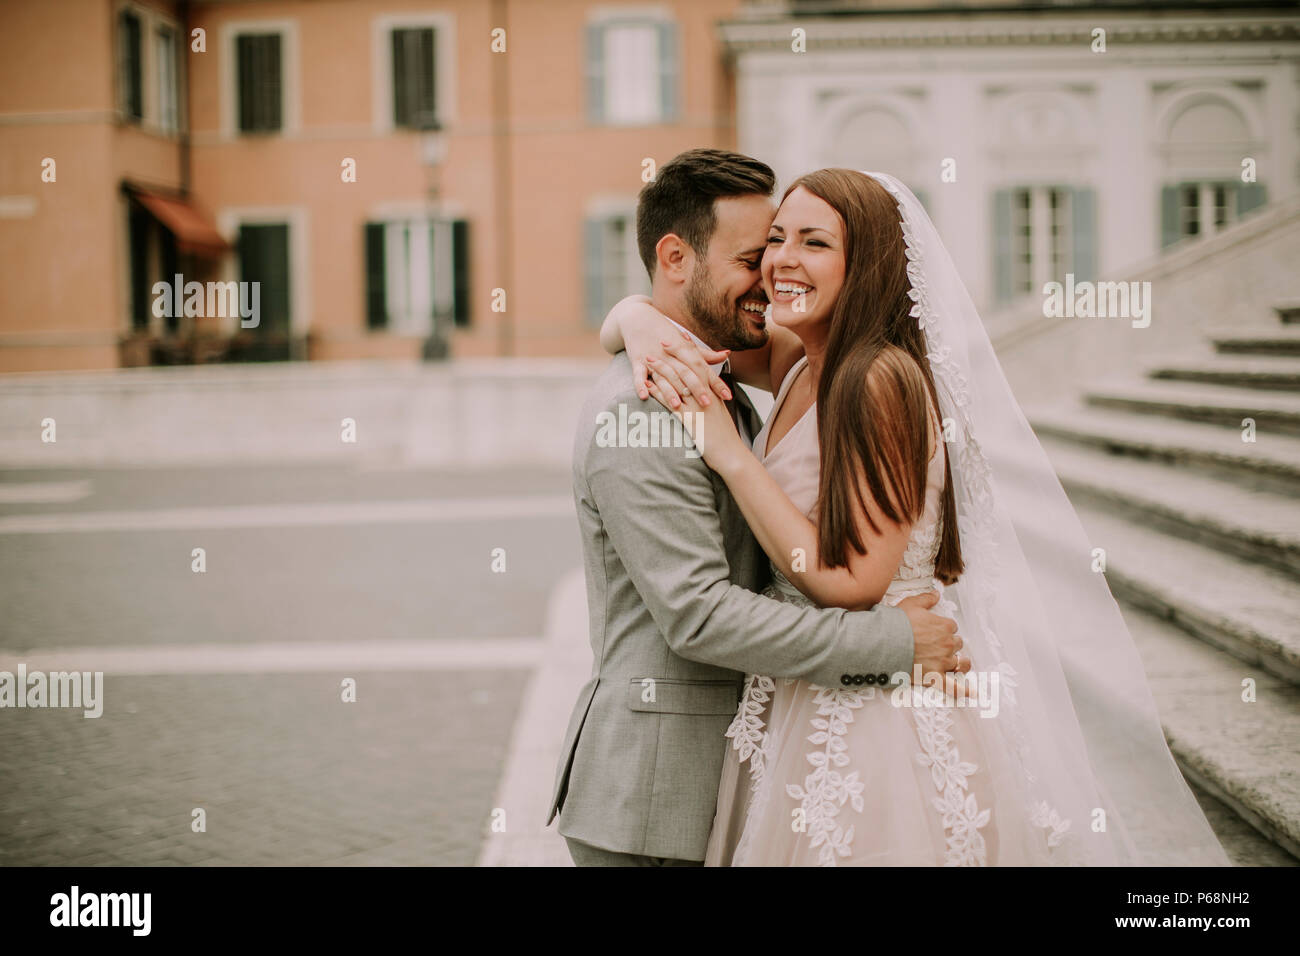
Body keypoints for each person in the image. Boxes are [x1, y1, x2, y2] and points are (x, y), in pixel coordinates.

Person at [605, 167, 1230, 866]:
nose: (781, 261)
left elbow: (854, 582)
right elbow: (671, 321)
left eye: (814, 243)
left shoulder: (880, 380)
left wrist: (732, 456)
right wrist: (631, 315)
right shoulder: (802, 361)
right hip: (809, 692)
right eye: (775, 240)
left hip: (882, 708)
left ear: (865, 262)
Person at [547, 150, 965, 867]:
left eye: (806, 242)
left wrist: (638, 320)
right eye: (763, 248)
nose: (774, 271)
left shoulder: (808, 366)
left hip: (802, 740)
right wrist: (893, 647)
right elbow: (699, 613)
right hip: (654, 794)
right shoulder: (649, 408)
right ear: (675, 257)